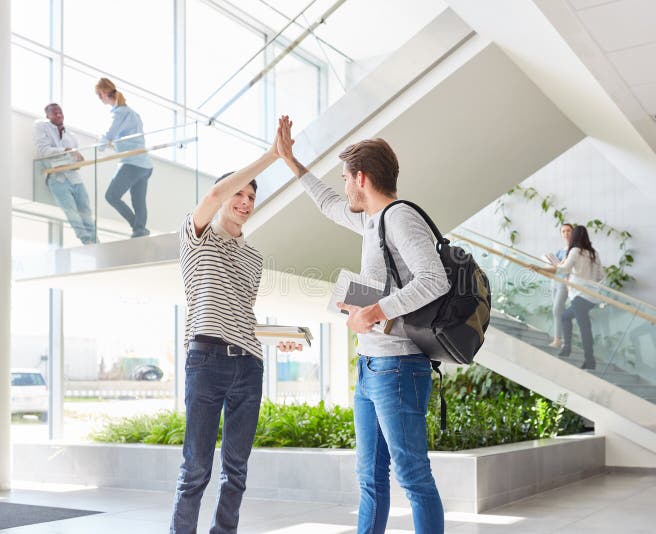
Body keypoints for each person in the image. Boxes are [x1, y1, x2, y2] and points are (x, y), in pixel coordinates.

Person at [275, 116, 448, 534]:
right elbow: (330, 203)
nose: (344, 186)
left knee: (413, 478)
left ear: (362, 178)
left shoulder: (399, 218)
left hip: (400, 368)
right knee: (370, 480)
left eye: (346, 178)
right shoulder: (371, 220)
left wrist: (373, 312)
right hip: (371, 368)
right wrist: (291, 162)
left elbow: (434, 280)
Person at [169, 132, 303, 534]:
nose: (245, 202)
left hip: (249, 367)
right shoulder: (197, 235)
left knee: (237, 472)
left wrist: (279, 337)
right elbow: (211, 196)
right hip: (206, 362)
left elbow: (241, 314)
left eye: (251, 198)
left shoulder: (254, 257)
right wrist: (271, 155)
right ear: (225, 196)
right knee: (195, 470)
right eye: (239, 194)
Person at [95, 77, 154, 238]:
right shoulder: (133, 113)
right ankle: (140, 229)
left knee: (111, 196)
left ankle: (138, 227)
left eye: (99, 96)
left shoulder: (120, 112)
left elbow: (109, 134)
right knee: (138, 201)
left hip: (132, 163)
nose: (100, 99)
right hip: (145, 165)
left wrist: (99, 145)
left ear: (103, 93)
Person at [33, 103, 96, 244]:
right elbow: (43, 151)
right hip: (57, 178)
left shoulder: (71, 136)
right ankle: (87, 241)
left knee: (86, 211)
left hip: (75, 178)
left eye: (60, 112)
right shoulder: (41, 126)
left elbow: (72, 158)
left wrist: (77, 161)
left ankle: (95, 241)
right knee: (72, 212)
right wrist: (66, 150)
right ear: (47, 116)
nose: (59, 115)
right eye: (54, 113)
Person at [547, 225, 603, 369]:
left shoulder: (575, 251)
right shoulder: (594, 253)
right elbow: (600, 277)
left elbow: (564, 269)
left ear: (575, 236)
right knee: (565, 316)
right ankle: (567, 348)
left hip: (579, 295)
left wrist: (552, 266)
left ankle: (590, 361)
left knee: (585, 328)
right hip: (591, 296)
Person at [548, 223, 572, 349]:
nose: (566, 233)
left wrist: (559, 265)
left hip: (565, 282)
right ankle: (564, 340)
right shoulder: (560, 251)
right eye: (563, 231)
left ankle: (558, 339)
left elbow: (566, 267)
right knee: (558, 311)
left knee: (557, 309)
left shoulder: (574, 250)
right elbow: (555, 267)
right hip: (555, 282)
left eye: (568, 231)